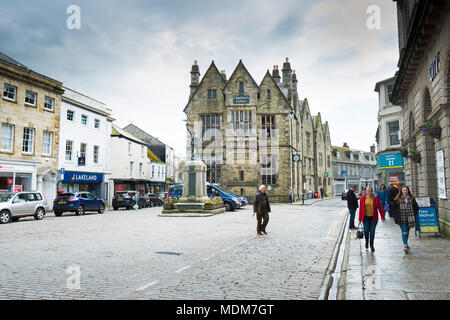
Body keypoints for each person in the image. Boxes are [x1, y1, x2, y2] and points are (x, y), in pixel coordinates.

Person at [391, 186, 419, 254]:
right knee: (404, 231)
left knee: (407, 231)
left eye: (406, 190)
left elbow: (416, 207)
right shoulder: (397, 199)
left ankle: (406, 242)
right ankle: (405, 245)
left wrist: (413, 214)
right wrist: (395, 216)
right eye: (403, 190)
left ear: (408, 191)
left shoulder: (412, 199)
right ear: (401, 191)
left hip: (410, 218)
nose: (405, 191)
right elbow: (393, 209)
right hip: (401, 218)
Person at [358, 186, 386, 252]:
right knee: (366, 231)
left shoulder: (376, 198)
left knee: (372, 232)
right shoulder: (363, 198)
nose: (370, 192)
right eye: (368, 191)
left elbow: (380, 208)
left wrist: (382, 217)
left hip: (374, 218)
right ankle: (366, 242)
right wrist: (360, 218)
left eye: (371, 191)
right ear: (366, 192)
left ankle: (371, 245)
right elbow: (361, 209)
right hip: (365, 218)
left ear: (372, 191)